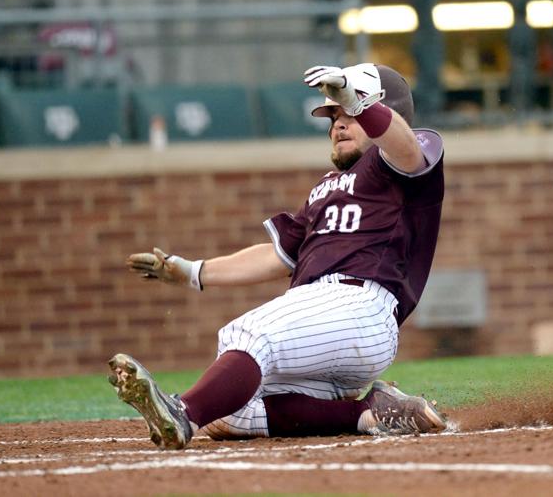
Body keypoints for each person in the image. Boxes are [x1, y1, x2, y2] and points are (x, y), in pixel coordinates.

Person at [108, 63, 447, 450]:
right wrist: (189, 271)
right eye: (333, 115)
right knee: (228, 409)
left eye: (348, 112)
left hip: (363, 306)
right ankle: (371, 411)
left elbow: (402, 146)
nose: (338, 123)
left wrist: (357, 100)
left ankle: (181, 413)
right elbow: (275, 256)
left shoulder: (407, 155)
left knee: (247, 335)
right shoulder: (327, 186)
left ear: (384, 109)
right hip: (323, 320)